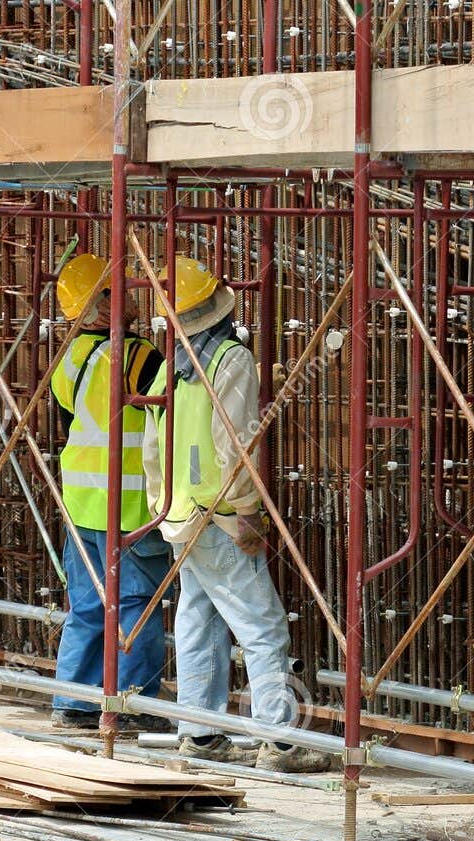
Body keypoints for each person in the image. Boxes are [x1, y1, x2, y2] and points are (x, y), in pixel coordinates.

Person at [141, 255, 328, 773]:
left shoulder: (169, 366)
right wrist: (245, 509)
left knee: (199, 620)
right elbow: (235, 443)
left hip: (181, 516)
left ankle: (199, 734)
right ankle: (280, 738)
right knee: (263, 626)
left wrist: (163, 503)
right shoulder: (229, 359)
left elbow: (151, 448)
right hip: (219, 514)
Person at [48, 253, 172, 731]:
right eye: (111, 289)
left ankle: (73, 702)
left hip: (81, 504)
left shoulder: (69, 358)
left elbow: (70, 421)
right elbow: (174, 415)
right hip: (129, 507)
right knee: (136, 606)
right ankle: (135, 705)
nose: (125, 293)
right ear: (97, 306)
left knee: (87, 604)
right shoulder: (138, 356)